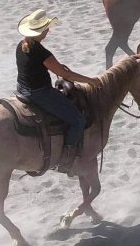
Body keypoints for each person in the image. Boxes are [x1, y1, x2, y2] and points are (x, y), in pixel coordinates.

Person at [15, 9, 91, 160]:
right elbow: (67, 75)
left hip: (21, 88)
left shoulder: (22, 44)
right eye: (46, 28)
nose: (48, 30)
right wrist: (91, 80)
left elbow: (32, 66)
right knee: (78, 120)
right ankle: (67, 155)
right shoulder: (42, 52)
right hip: (39, 93)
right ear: (41, 32)